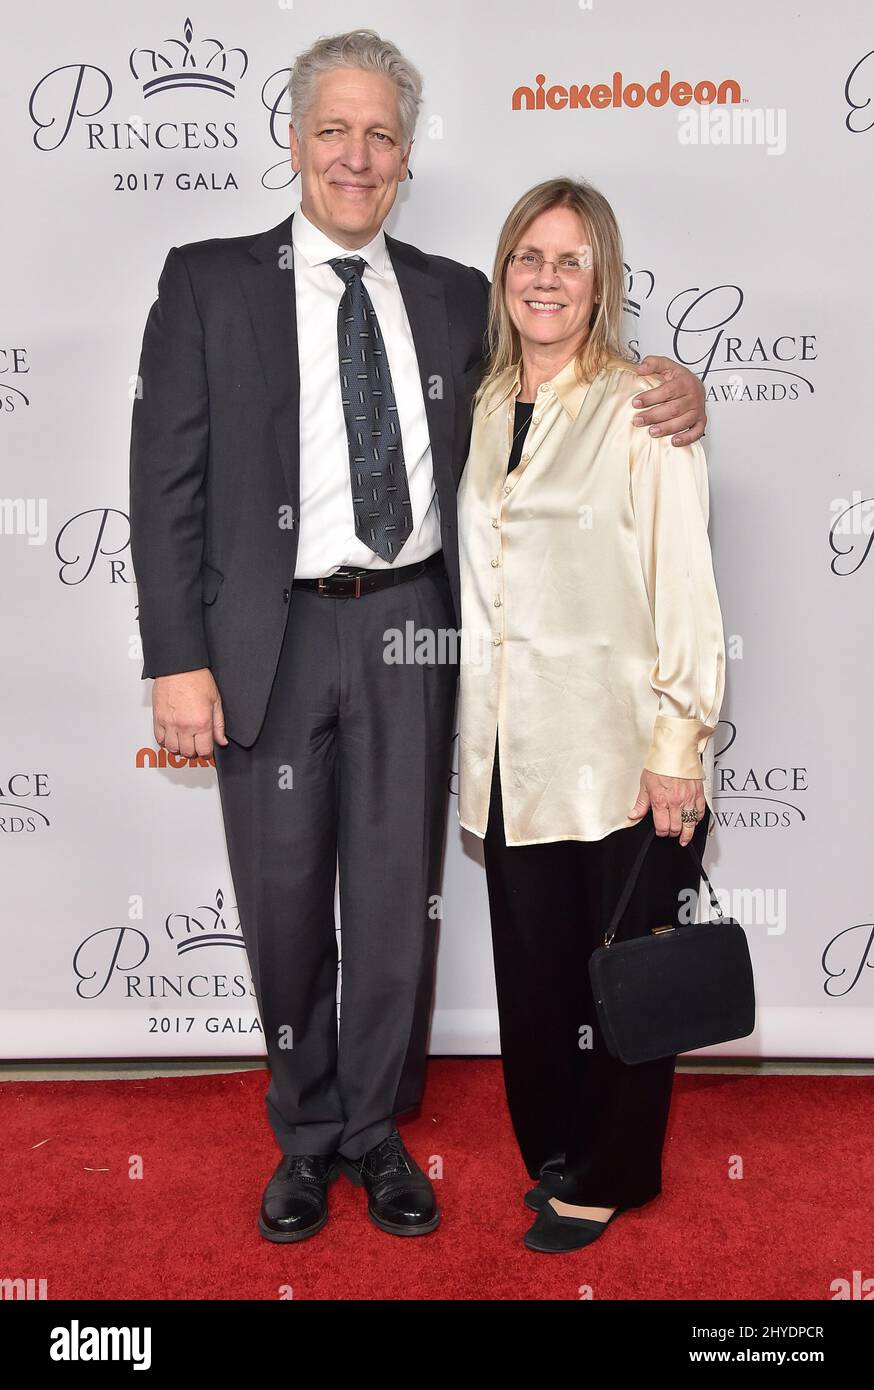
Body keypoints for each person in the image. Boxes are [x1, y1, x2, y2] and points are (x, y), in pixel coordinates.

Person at [129, 31, 708, 1245]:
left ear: (405, 157)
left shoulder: (456, 298)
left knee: (398, 905)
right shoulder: (206, 281)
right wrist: (174, 657)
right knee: (284, 902)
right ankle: (306, 1133)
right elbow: (164, 483)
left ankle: (378, 1131)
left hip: (413, 634)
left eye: (381, 135)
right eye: (333, 130)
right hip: (265, 645)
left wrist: (680, 387)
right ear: (294, 142)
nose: (356, 155)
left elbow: (565, 391)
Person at [456, 176, 726, 1253]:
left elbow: (684, 586)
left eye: (570, 260)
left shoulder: (641, 405)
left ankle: (615, 1173)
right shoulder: (480, 403)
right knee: (536, 980)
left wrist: (679, 747)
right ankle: (561, 1149)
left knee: (628, 979)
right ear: (503, 272)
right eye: (529, 255)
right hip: (507, 758)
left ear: (601, 279)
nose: (546, 278)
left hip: (618, 750)